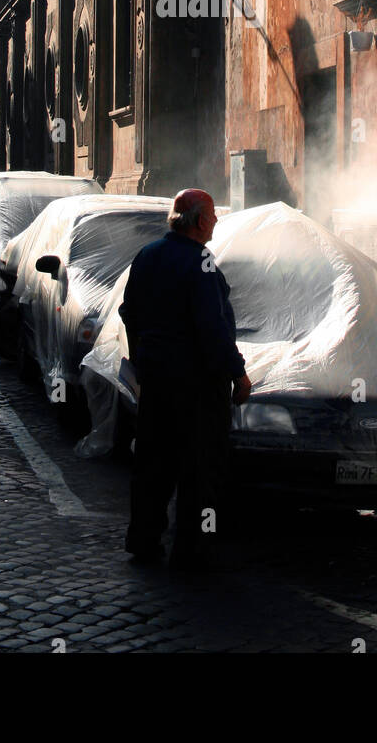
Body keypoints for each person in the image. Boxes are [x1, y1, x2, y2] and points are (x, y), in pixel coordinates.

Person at [119, 188, 252, 568]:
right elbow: (214, 329)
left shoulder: (147, 256)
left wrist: (142, 357)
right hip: (196, 389)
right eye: (212, 216)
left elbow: (130, 313)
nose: (215, 222)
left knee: (152, 466)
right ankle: (192, 550)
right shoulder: (202, 264)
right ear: (198, 222)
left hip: (157, 381)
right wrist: (238, 375)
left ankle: (143, 540)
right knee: (199, 471)